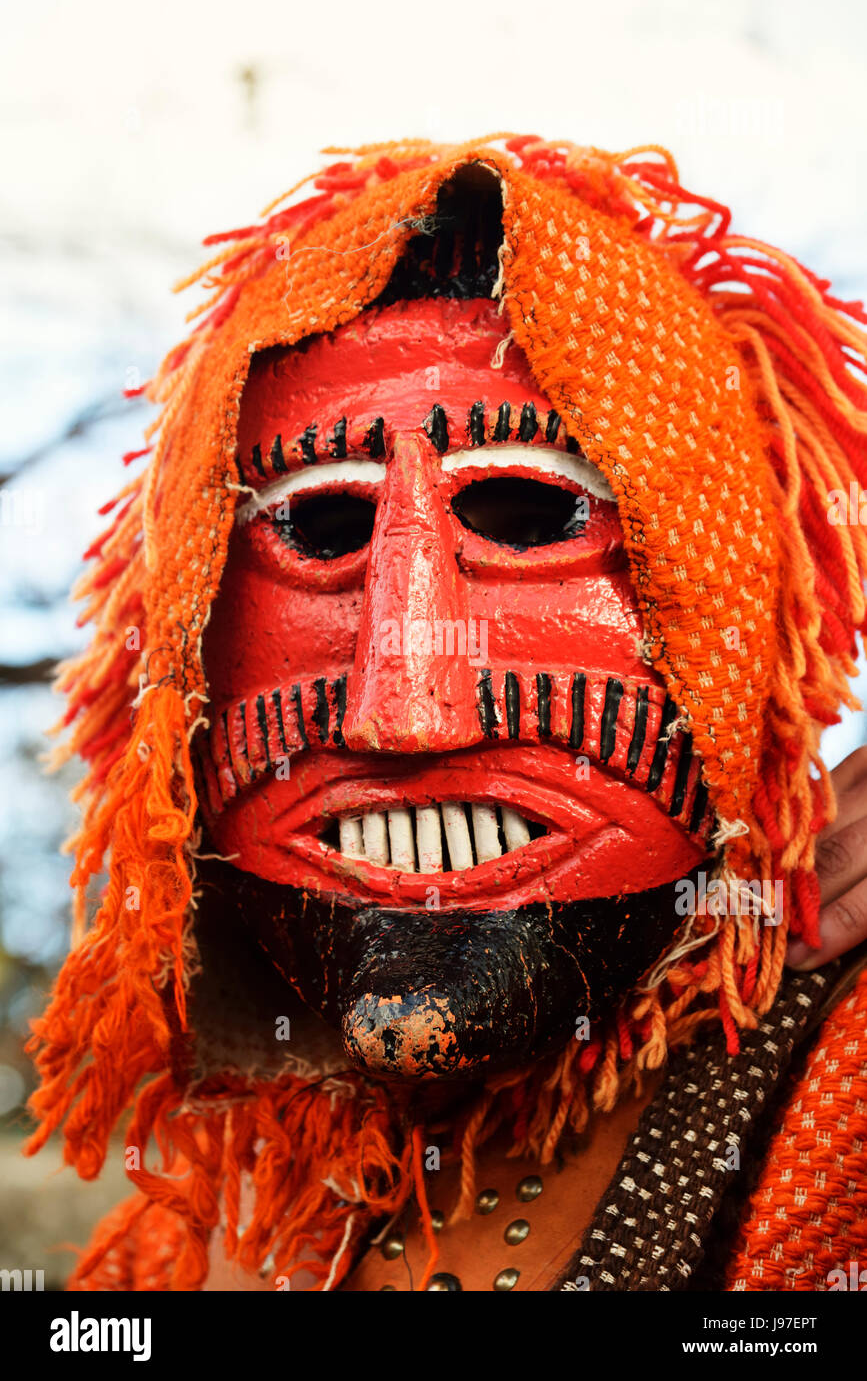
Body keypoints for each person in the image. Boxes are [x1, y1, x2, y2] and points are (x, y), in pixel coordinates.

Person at [26, 135, 867, 1291]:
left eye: (524, 513)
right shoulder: (211, 1218)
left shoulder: (840, 1100)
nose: (402, 707)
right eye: (318, 530)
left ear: (731, 637)